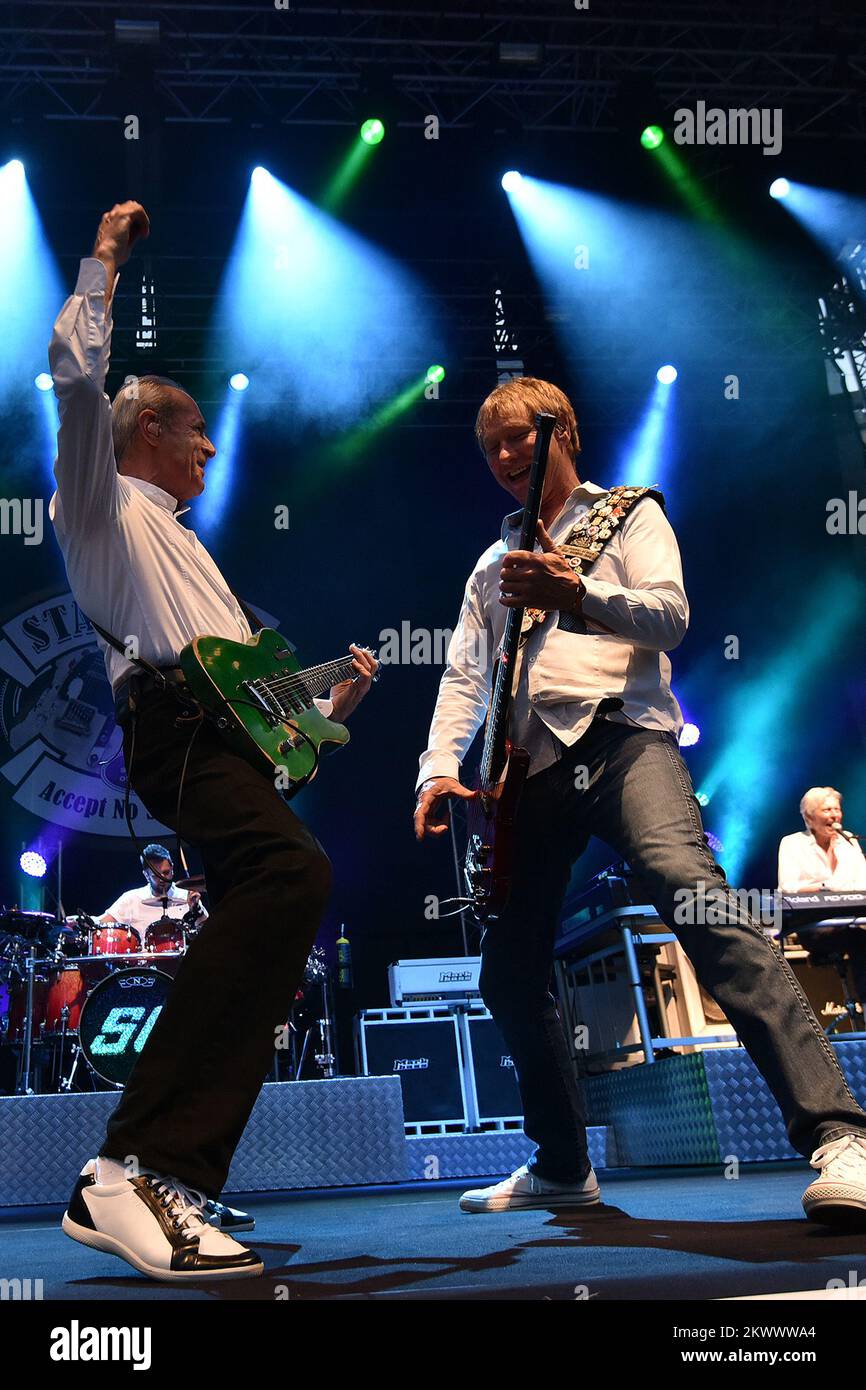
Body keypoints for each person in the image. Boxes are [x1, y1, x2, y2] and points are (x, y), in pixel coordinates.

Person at [414, 376, 866, 1225]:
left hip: (626, 743)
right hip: (528, 775)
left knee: (697, 900)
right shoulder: (490, 563)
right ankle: (562, 1165)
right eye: (492, 448)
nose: (507, 456)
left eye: (521, 437)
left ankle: (841, 1136)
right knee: (508, 973)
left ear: (565, 432)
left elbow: (670, 618)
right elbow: (464, 675)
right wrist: (439, 767)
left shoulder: (626, 514)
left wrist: (575, 594)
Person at [49, 201, 377, 1281]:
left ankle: (162, 1175)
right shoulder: (102, 506)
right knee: (291, 873)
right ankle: (125, 1166)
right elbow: (72, 380)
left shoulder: (195, 558)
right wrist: (103, 264)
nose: (210, 447)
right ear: (148, 429)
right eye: (197, 432)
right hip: (174, 739)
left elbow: (264, 713)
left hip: (221, 743)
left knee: (281, 895)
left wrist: (327, 713)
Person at [778, 786, 866, 1011]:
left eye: (837, 809)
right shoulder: (792, 844)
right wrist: (825, 888)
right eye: (827, 810)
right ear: (809, 816)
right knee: (859, 940)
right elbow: (788, 888)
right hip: (814, 927)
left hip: (853, 921)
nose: (834, 815)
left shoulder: (850, 843)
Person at [99, 842, 208, 939]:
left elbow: (208, 929)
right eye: (155, 875)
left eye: (166, 873)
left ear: (172, 869)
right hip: (146, 960)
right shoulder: (132, 899)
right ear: (146, 875)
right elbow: (101, 924)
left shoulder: (187, 895)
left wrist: (196, 909)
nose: (162, 879)